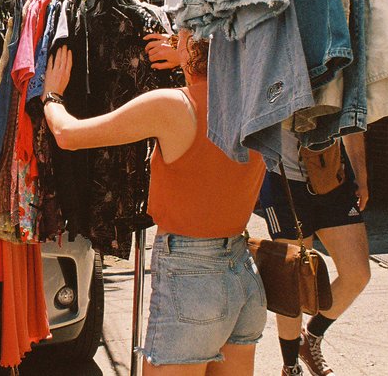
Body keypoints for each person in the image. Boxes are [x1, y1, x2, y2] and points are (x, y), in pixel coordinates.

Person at [42, 29, 267, 376]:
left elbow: (68, 135)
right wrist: (191, 55)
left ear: (194, 46)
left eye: (182, 33)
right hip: (242, 273)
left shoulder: (173, 106)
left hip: (192, 277)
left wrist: (52, 96)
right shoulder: (258, 101)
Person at [260, 131, 371, 376]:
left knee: (357, 274)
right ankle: (290, 366)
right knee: (294, 282)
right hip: (283, 179)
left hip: (333, 173)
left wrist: (361, 177)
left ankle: (311, 337)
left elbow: (352, 120)